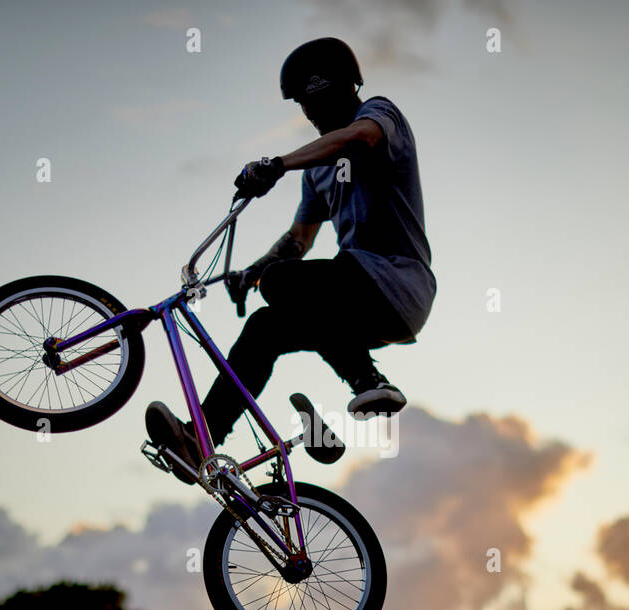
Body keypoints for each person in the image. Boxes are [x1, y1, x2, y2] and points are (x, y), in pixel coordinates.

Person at [145, 36, 435, 484]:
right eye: (303, 106)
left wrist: (277, 165)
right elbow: (299, 241)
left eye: (315, 102)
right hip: (357, 303)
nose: (311, 115)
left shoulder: (378, 115)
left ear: (342, 89)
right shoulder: (318, 169)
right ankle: (202, 440)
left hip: (397, 284)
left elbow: (360, 138)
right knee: (264, 326)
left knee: (282, 284)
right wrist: (251, 271)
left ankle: (366, 380)